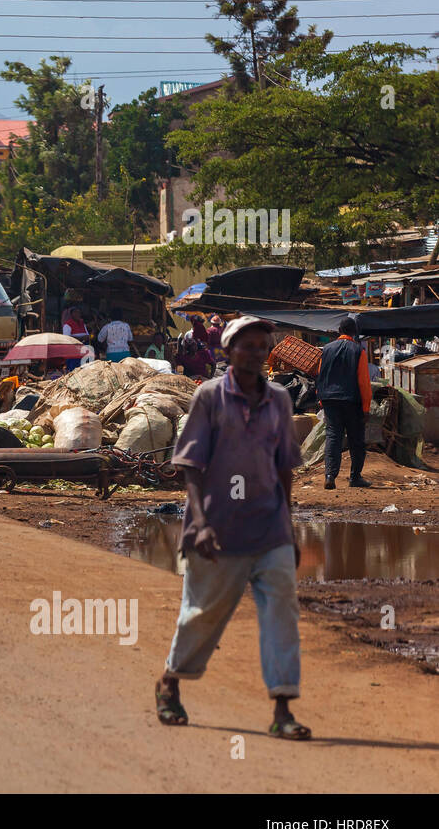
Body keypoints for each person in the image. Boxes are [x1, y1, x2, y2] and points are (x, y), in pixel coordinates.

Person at [156, 315, 310, 740]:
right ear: (227, 351)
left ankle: (282, 708)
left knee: (282, 613)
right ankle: (170, 681)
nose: (257, 353)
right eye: (248, 346)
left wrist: (290, 529)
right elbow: (190, 466)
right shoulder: (209, 397)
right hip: (217, 529)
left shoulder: (279, 399)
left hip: (269, 530)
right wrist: (200, 525)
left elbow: (285, 469)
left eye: (264, 346)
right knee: (203, 614)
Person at [317, 316, 373, 490]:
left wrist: (321, 398)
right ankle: (355, 477)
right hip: (351, 401)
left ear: (339, 331)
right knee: (356, 440)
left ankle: (329, 476)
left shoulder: (326, 349)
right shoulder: (358, 351)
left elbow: (320, 375)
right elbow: (364, 382)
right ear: (354, 332)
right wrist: (366, 407)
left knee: (333, 437)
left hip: (330, 400)